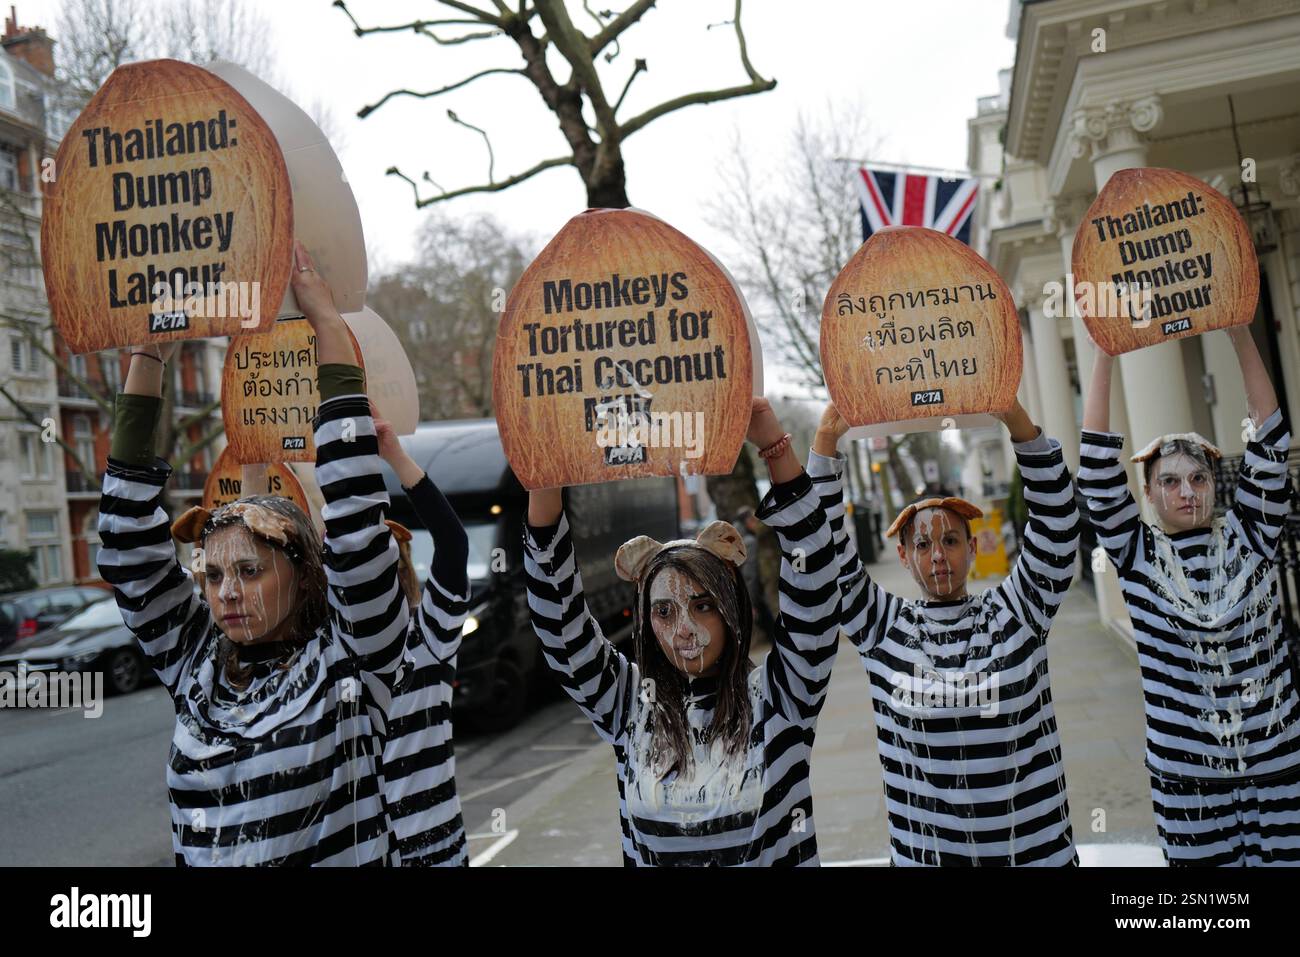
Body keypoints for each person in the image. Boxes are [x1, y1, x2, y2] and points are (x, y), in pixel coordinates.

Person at [97, 242, 410, 865]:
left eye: (248, 569)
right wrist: (148, 353)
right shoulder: (195, 665)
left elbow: (355, 523)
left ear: (302, 573)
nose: (226, 592)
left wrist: (325, 325)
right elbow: (127, 541)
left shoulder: (353, 659)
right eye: (211, 575)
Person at [521, 398, 841, 865]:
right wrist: (545, 473)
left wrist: (773, 446)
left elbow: (814, 580)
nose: (684, 629)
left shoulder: (782, 695)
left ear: (732, 610)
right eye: (665, 612)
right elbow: (558, 619)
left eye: (703, 605)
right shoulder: (628, 703)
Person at [810, 398, 1081, 866]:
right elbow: (827, 554)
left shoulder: (1017, 612)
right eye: (922, 544)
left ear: (973, 548)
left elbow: (1057, 528)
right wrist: (825, 445)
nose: (938, 556)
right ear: (902, 557)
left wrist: (1015, 420)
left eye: (951, 541)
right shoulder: (883, 627)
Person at [1077, 323, 1300, 865]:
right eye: (1170, 481)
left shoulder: (1251, 535)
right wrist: (1106, 353)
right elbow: (1096, 471)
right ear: (1148, 494)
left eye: (1198, 479)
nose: (1186, 491)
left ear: (1214, 485)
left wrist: (1240, 334)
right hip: (1189, 778)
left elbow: (1270, 438)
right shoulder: (1137, 554)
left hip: (1277, 763)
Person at [377, 464, 473, 866]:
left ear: (401, 574)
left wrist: (394, 455)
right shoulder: (333, 655)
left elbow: (452, 543)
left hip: (436, 855)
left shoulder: (429, 638)